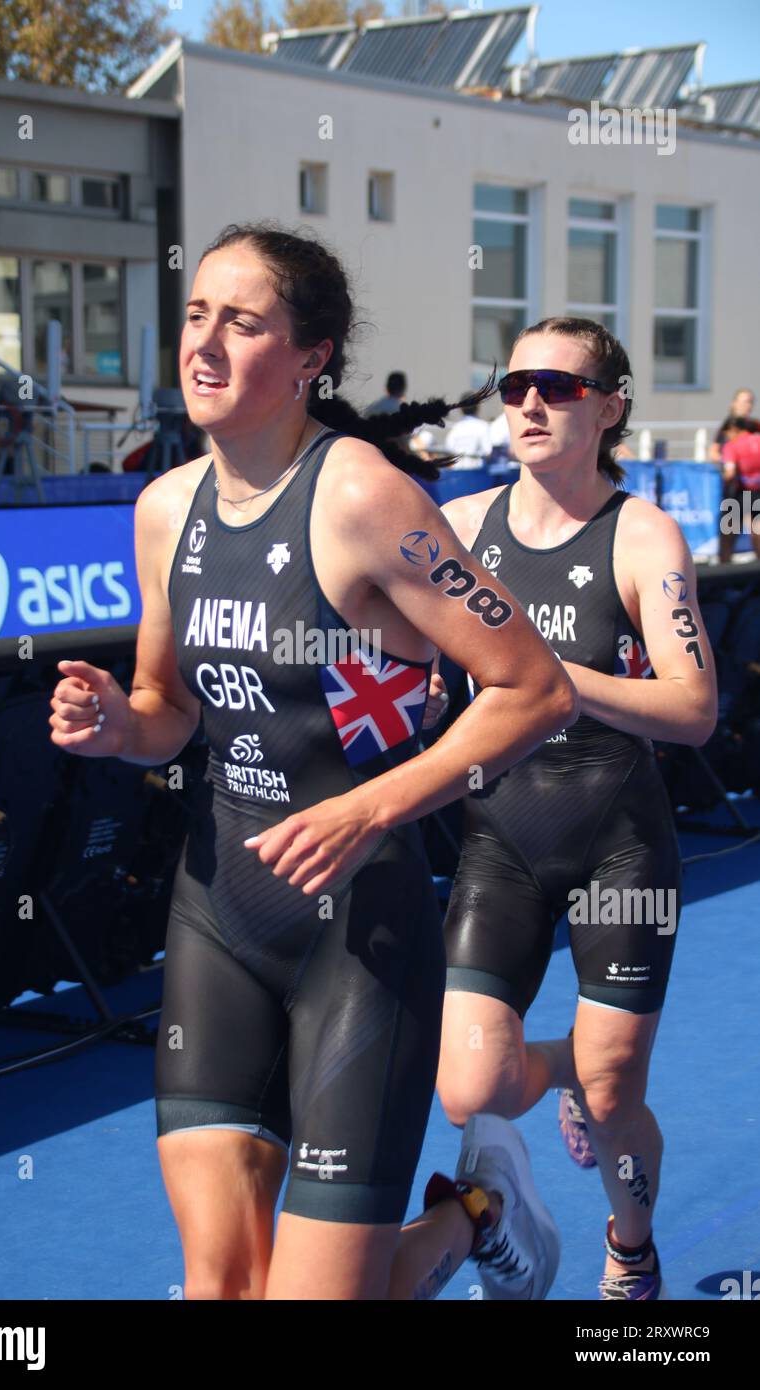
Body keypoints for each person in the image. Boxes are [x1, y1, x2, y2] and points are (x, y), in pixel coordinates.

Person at [48, 222, 578, 1301]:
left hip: (359, 936)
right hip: (215, 914)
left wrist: (368, 811)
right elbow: (168, 710)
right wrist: (116, 723)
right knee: (222, 1287)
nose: (203, 342)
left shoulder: (360, 497)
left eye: (240, 322)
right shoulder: (161, 509)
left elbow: (534, 686)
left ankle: (465, 1218)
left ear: (309, 356)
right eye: (195, 314)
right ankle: (470, 1215)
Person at [413, 317, 717, 1300]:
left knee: (619, 1084)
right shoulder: (457, 528)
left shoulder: (640, 533)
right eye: (512, 387)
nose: (530, 403)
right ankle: (574, 1073)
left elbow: (693, 709)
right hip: (498, 842)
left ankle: (629, 1243)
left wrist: (559, 681)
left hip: (616, 847)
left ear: (608, 407)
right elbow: (415, 678)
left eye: (556, 385)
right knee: (467, 1087)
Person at [720, 416, 760, 562]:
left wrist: (722, 484)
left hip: (740, 493)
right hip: (758, 492)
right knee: (757, 528)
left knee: (729, 530)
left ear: (733, 430)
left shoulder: (732, 445)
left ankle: (724, 566)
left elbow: (730, 472)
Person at [709, 389, 755, 465]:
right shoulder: (729, 424)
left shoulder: (754, 425)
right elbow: (714, 452)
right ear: (735, 403)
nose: (747, 405)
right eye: (744, 402)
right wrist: (728, 462)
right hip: (733, 470)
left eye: (750, 402)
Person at [444, 400, 492, 470]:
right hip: (478, 473)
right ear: (478, 408)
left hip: (458, 473)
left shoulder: (455, 428)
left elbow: (448, 451)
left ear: (461, 409)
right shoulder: (484, 426)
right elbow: (488, 452)